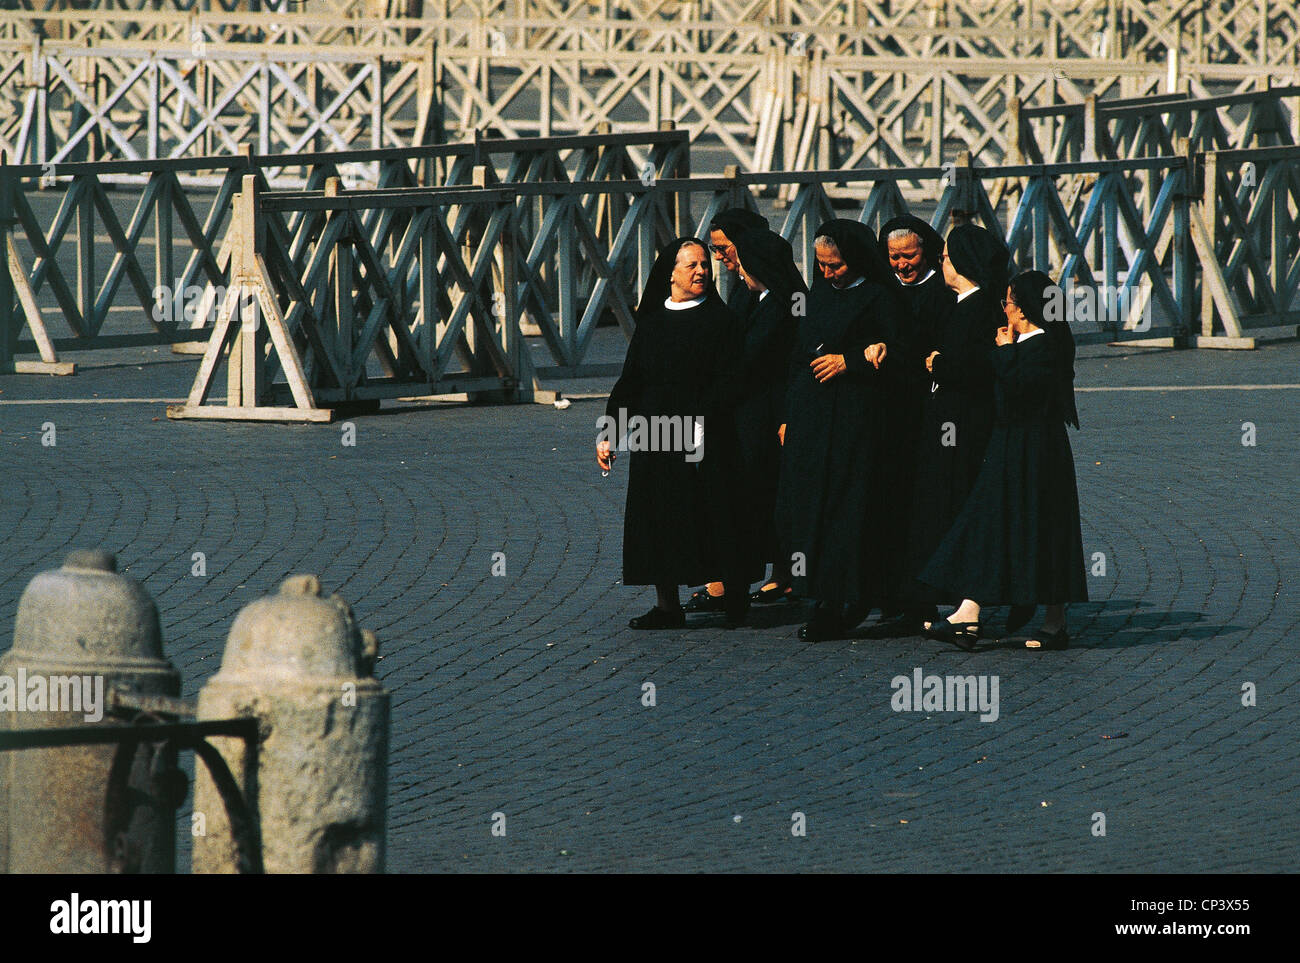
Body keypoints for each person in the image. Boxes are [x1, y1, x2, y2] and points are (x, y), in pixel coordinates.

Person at [919, 269, 1089, 651]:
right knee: (994, 521)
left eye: (1008, 302)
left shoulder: (1044, 345)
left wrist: (1004, 351)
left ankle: (1048, 621)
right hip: (1016, 446)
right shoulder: (1033, 341)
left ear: (1024, 309)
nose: (1004, 309)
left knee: (1039, 527)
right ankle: (971, 612)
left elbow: (1019, 395)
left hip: (1034, 450)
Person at [597, 237, 744, 629]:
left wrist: (703, 422)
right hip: (655, 435)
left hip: (705, 435)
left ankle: (732, 598)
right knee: (656, 516)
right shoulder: (653, 321)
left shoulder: (721, 321)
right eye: (692, 265)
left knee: (714, 513)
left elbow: (732, 383)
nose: (702, 271)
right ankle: (667, 605)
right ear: (671, 274)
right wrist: (610, 432)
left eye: (704, 265)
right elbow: (632, 381)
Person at [774, 219, 903, 641]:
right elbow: (796, 357)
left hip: (856, 423)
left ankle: (842, 600)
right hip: (813, 421)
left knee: (847, 510)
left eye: (836, 266)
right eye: (821, 265)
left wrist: (851, 362)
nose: (828, 274)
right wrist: (787, 415)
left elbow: (898, 351)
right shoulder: (818, 295)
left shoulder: (880, 296)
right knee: (813, 507)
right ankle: (820, 594)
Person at [897, 222, 1008, 632]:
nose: (940, 263)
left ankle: (966, 603)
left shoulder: (978, 307)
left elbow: (981, 365)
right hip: (950, 424)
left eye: (945, 257)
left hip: (964, 427)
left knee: (959, 505)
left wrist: (940, 363)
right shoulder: (962, 303)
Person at [683, 207, 773, 614]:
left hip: (756, 410)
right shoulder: (743, 286)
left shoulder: (767, 290)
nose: (718, 258)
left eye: (723, 249)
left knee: (751, 493)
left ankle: (740, 579)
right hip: (734, 407)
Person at [710, 227, 806, 608]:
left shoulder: (786, 304)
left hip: (769, 414)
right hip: (747, 411)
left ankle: (783, 574)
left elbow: (761, 357)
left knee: (768, 492)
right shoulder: (751, 297)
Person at [874, 215, 957, 630]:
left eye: (909, 256)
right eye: (893, 257)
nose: (902, 265)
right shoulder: (882, 289)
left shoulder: (941, 295)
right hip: (886, 415)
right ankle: (890, 595)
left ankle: (921, 600)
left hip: (924, 414)